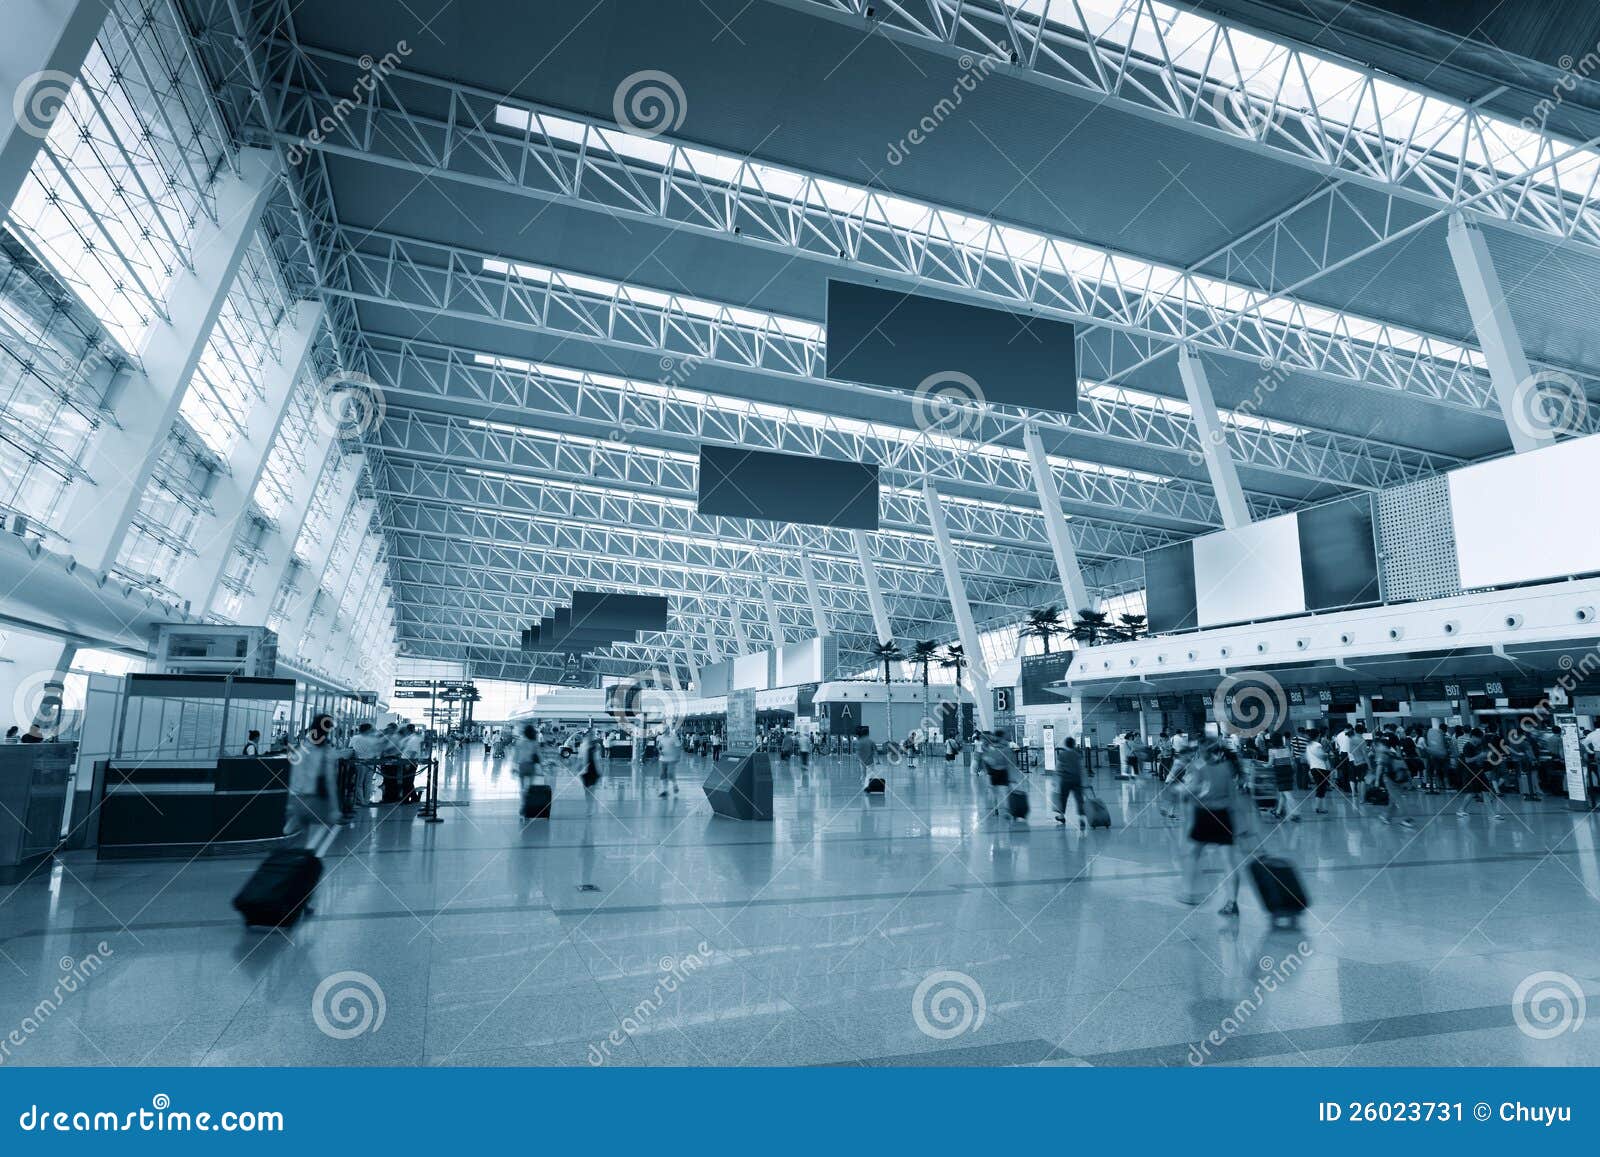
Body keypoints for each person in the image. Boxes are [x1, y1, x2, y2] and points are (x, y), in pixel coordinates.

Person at [1177, 738, 1248, 916]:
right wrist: (1240, 824)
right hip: (1224, 816)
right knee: (1228, 861)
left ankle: (1189, 893)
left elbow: (1193, 789)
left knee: (1192, 854)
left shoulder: (1197, 767)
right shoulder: (1227, 767)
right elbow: (1233, 798)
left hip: (1204, 816)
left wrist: (1180, 791)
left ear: (1201, 750)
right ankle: (1232, 902)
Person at [283, 715, 339, 851]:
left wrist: (290, 803)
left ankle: (292, 867)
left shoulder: (300, 749)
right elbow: (330, 781)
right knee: (313, 845)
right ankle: (303, 866)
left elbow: (293, 776)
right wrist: (335, 808)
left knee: (297, 841)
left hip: (296, 799)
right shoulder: (326, 751)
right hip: (315, 801)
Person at [1458, 728, 1507, 821]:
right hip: (1471, 773)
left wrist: (1485, 756)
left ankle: (1492, 814)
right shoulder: (1467, 746)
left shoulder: (1478, 746)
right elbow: (1468, 760)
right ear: (1472, 737)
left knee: (1485, 792)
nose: (1480, 740)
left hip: (1479, 771)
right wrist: (1480, 756)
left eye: (1481, 738)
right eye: (1479, 738)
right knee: (1473, 792)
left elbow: (1479, 758)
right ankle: (1461, 810)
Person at [980, 733, 1021, 820]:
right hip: (1003, 772)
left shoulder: (989, 749)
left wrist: (987, 773)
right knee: (1004, 793)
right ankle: (1007, 811)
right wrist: (1012, 777)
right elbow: (1011, 763)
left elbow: (985, 760)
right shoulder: (1006, 749)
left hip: (992, 773)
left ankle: (995, 810)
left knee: (993, 792)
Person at [1053, 736, 1086, 831]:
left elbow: (1058, 768)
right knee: (1079, 799)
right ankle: (1081, 818)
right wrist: (1085, 781)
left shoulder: (1062, 755)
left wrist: (1055, 781)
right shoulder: (1077, 755)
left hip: (1065, 780)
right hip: (1077, 779)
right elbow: (1082, 768)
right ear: (1074, 745)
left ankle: (1061, 816)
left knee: (1063, 798)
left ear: (1065, 744)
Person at [1305, 728, 1336, 814]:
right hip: (1320, 768)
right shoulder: (1317, 745)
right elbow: (1322, 756)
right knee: (1321, 789)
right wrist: (1327, 754)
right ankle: (1319, 808)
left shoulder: (1308, 745)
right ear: (1318, 735)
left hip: (1313, 768)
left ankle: (1319, 807)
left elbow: (1307, 758)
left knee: (1320, 788)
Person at [576, 729, 603, 814]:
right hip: (585, 770)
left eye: (593, 735)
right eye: (589, 735)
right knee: (587, 790)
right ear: (586, 735)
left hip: (594, 769)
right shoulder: (583, 745)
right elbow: (580, 757)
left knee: (592, 789)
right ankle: (589, 804)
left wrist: (600, 770)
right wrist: (578, 766)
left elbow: (598, 758)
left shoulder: (597, 745)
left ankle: (590, 807)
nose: (591, 736)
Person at [658, 728, 682, 797]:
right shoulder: (661, 738)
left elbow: (679, 747)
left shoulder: (674, 737)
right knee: (663, 775)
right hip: (662, 759)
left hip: (672, 759)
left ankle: (675, 785)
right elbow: (659, 746)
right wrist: (660, 751)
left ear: (669, 730)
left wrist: (678, 756)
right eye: (664, 729)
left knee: (670, 774)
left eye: (666, 729)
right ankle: (665, 791)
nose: (665, 731)